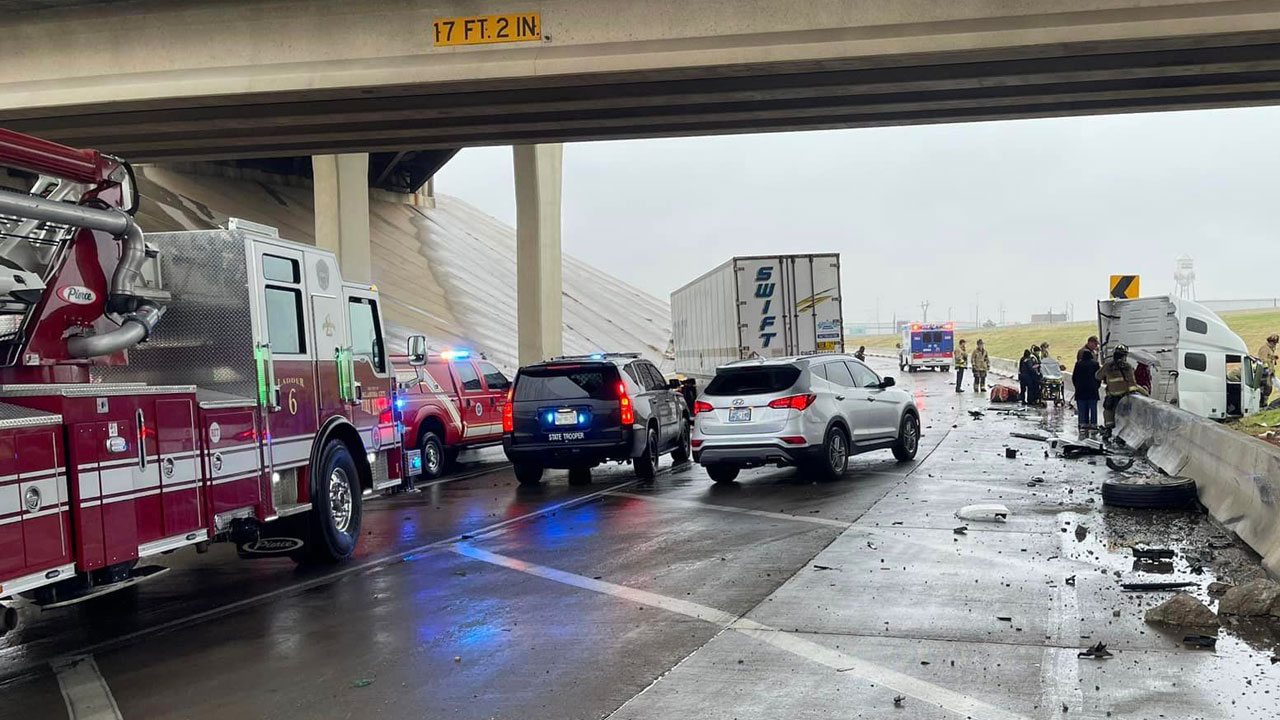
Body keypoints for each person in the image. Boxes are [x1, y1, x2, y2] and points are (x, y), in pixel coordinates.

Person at [1096, 343, 1147, 436]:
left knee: (1108, 411)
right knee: (1127, 415)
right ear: (1124, 355)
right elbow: (1132, 382)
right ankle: (1124, 434)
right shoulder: (1127, 366)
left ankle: (1108, 430)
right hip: (1124, 395)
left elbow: (1097, 376)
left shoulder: (1108, 365)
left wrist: (1106, 376)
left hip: (1112, 395)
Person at [1072, 349, 1102, 438]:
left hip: (1080, 390)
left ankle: (1082, 423)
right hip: (1092, 390)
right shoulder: (1095, 364)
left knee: (1082, 408)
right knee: (1093, 408)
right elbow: (1098, 377)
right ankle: (1093, 424)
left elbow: (1074, 377)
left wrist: (1077, 386)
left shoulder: (1078, 364)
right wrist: (1097, 386)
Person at [1259, 334, 1278, 406]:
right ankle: (1262, 404)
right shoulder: (1264, 348)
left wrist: (1273, 357)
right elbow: (1263, 359)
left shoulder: (1269, 349)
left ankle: (1264, 403)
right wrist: (1271, 359)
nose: (1275, 345)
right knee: (1266, 388)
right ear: (1271, 342)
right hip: (1265, 373)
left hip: (1269, 372)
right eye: (1274, 343)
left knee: (1269, 388)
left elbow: (1268, 356)